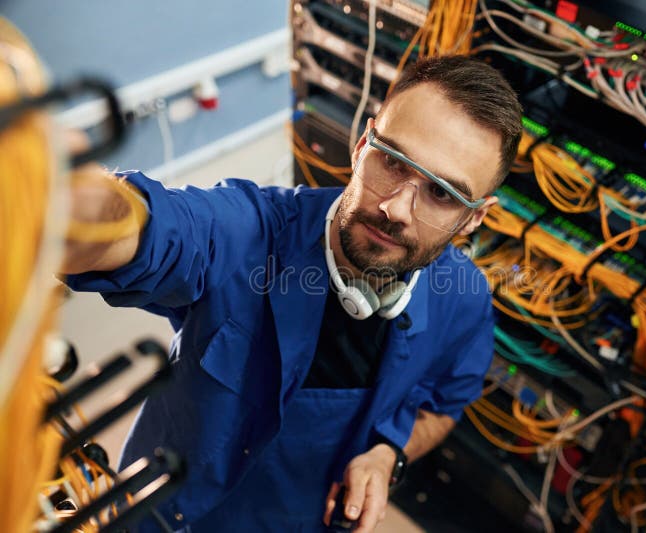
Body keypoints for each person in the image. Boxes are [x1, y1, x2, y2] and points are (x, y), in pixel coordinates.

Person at [61, 55, 522, 532]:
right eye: (392, 161)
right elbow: (159, 231)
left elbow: (444, 405)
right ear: (362, 145)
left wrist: (388, 455)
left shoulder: (463, 301)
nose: (396, 209)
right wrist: (69, 204)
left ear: (473, 219)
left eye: (442, 194)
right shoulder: (251, 233)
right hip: (163, 512)